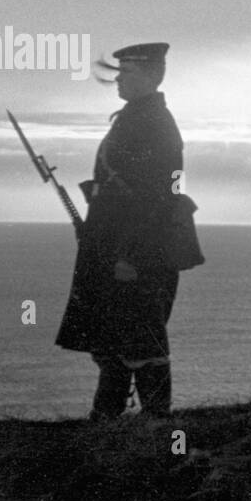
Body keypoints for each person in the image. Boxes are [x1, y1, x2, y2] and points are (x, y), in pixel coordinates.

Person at [56, 42, 186, 420]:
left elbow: (158, 198)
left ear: (149, 75)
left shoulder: (155, 124)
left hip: (135, 251)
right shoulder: (136, 118)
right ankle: (106, 421)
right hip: (115, 244)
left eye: (126, 73)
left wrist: (131, 255)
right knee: (114, 340)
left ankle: (156, 424)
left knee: (142, 341)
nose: (118, 81)